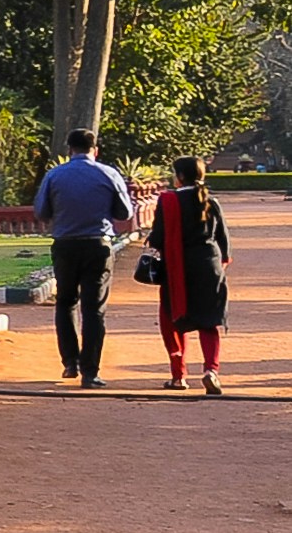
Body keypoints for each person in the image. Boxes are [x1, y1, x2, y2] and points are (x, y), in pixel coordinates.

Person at [33, 127, 136, 387]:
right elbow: (124, 213)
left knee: (66, 302)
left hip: (65, 244)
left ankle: (70, 362)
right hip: (97, 245)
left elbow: (42, 211)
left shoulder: (54, 175)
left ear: (69, 150)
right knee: (94, 309)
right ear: (95, 150)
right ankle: (90, 371)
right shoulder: (108, 174)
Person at [144, 155, 231, 395]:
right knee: (208, 321)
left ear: (180, 176)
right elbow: (223, 240)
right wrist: (220, 266)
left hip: (178, 267)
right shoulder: (211, 202)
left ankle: (179, 375)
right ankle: (211, 371)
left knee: (174, 319)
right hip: (209, 265)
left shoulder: (169, 201)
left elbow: (159, 236)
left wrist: (151, 242)